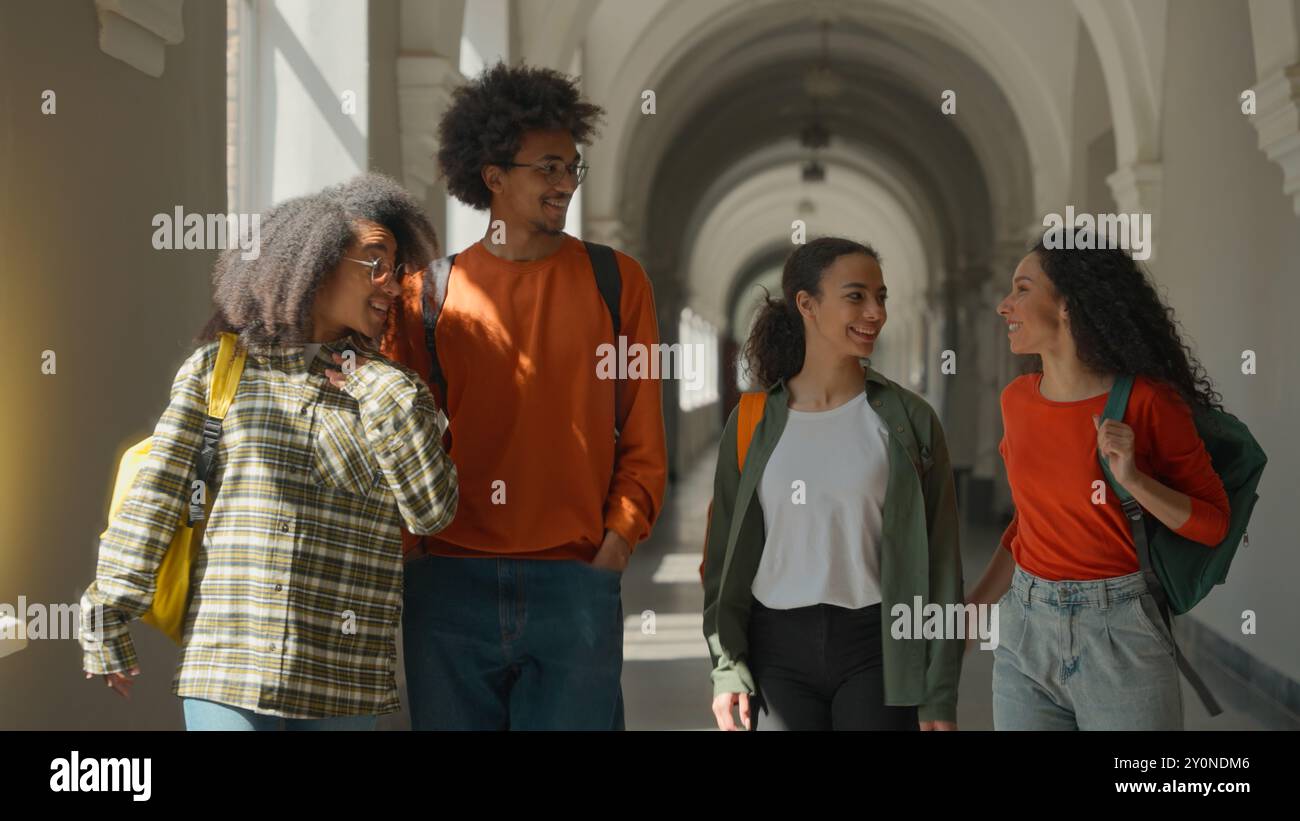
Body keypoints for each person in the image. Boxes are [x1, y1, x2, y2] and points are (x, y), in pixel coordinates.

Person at [79, 182, 458, 730]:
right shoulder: (218, 370)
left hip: (343, 676)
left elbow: (432, 512)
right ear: (315, 264)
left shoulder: (396, 391)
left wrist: (377, 393)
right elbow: (156, 493)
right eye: (375, 264)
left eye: (397, 269)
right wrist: (107, 612)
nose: (393, 285)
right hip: (228, 665)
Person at [382, 61, 667, 730]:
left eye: (573, 168)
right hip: (450, 584)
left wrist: (616, 545)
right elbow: (398, 442)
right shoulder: (429, 295)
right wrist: (414, 549)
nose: (565, 182)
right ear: (494, 175)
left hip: (575, 582)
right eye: (548, 167)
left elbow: (645, 436)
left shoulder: (617, 282)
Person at [967, 237, 1230, 730]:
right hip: (1025, 625)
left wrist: (1134, 479)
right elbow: (1030, 521)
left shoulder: (1149, 403)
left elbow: (1213, 524)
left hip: (1120, 633)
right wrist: (975, 607)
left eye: (1022, 290)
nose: (1005, 305)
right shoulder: (1016, 401)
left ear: (1067, 304)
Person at [702, 237, 964, 731]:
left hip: (879, 647)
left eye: (881, 297)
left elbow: (943, 564)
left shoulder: (910, 421)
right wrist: (726, 668)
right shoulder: (750, 423)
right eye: (856, 296)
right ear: (807, 305)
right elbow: (721, 559)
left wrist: (938, 693)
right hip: (775, 650)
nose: (875, 312)